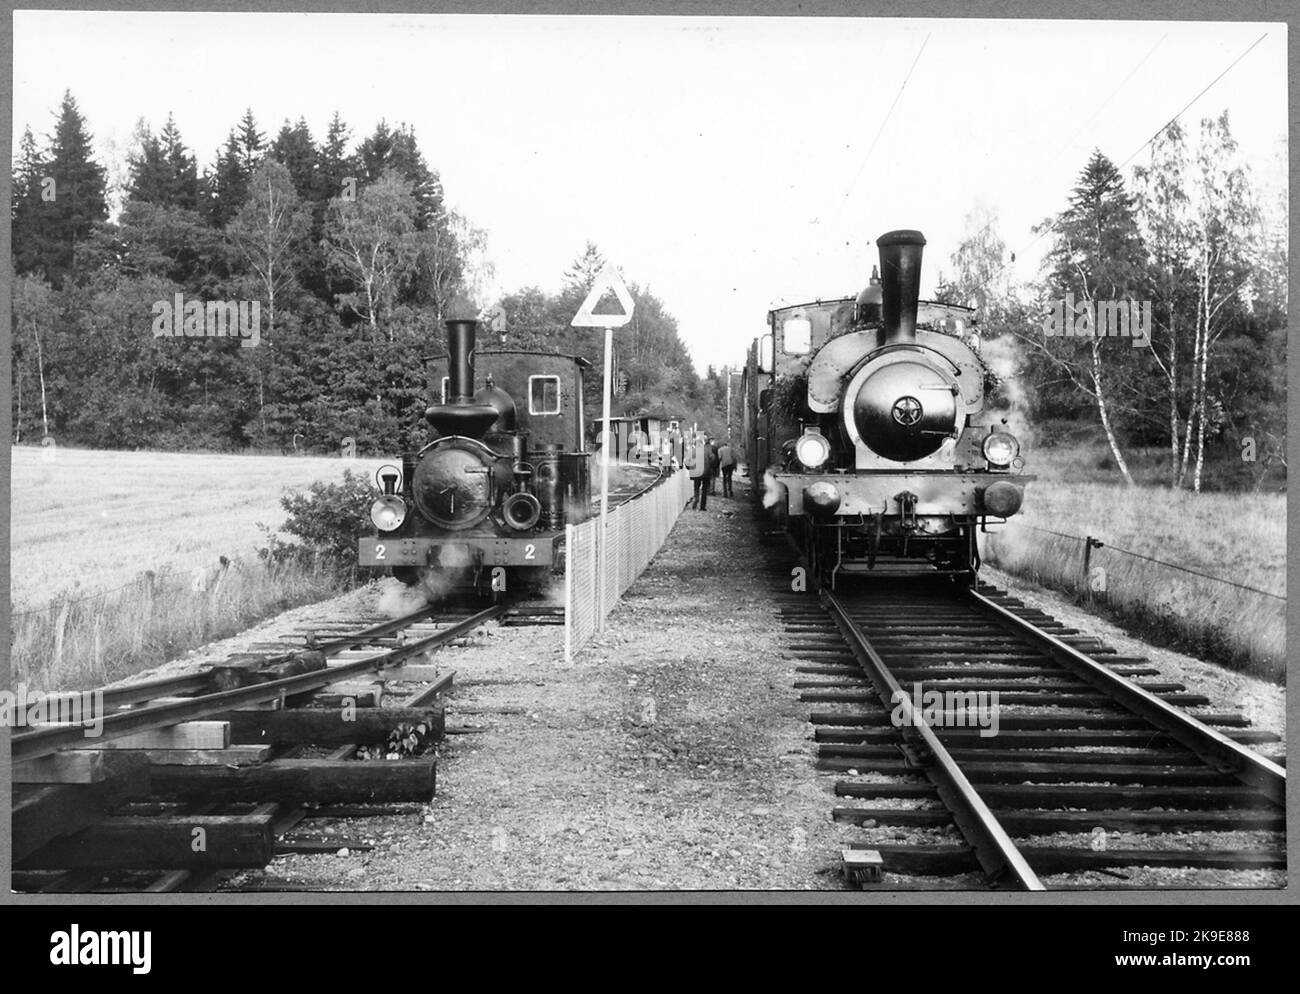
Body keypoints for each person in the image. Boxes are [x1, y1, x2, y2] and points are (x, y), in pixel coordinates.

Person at [685, 433, 712, 510]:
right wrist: (709, 466)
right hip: (705, 473)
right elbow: (712, 458)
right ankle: (702, 507)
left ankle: (695, 501)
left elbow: (687, 462)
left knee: (696, 488)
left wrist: (689, 468)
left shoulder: (692, 451)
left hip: (696, 473)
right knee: (704, 489)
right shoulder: (706, 450)